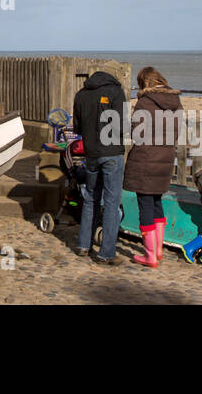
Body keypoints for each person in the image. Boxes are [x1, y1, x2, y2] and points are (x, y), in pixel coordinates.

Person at [122, 66, 183, 268]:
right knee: (157, 201)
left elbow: (137, 134)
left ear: (143, 82)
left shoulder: (144, 102)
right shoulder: (176, 102)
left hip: (146, 158)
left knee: (146, 204)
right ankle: (157, 250)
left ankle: (149, 255)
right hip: (165, 157)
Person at [72, 70, 127, 265]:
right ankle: (106, 252)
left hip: (91, 152)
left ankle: (83, 244)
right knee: (112, 202)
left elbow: (76, 127)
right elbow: (122, 125)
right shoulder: (116, 92)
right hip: (111, 151)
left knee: (90, 197)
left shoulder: (81, 94)